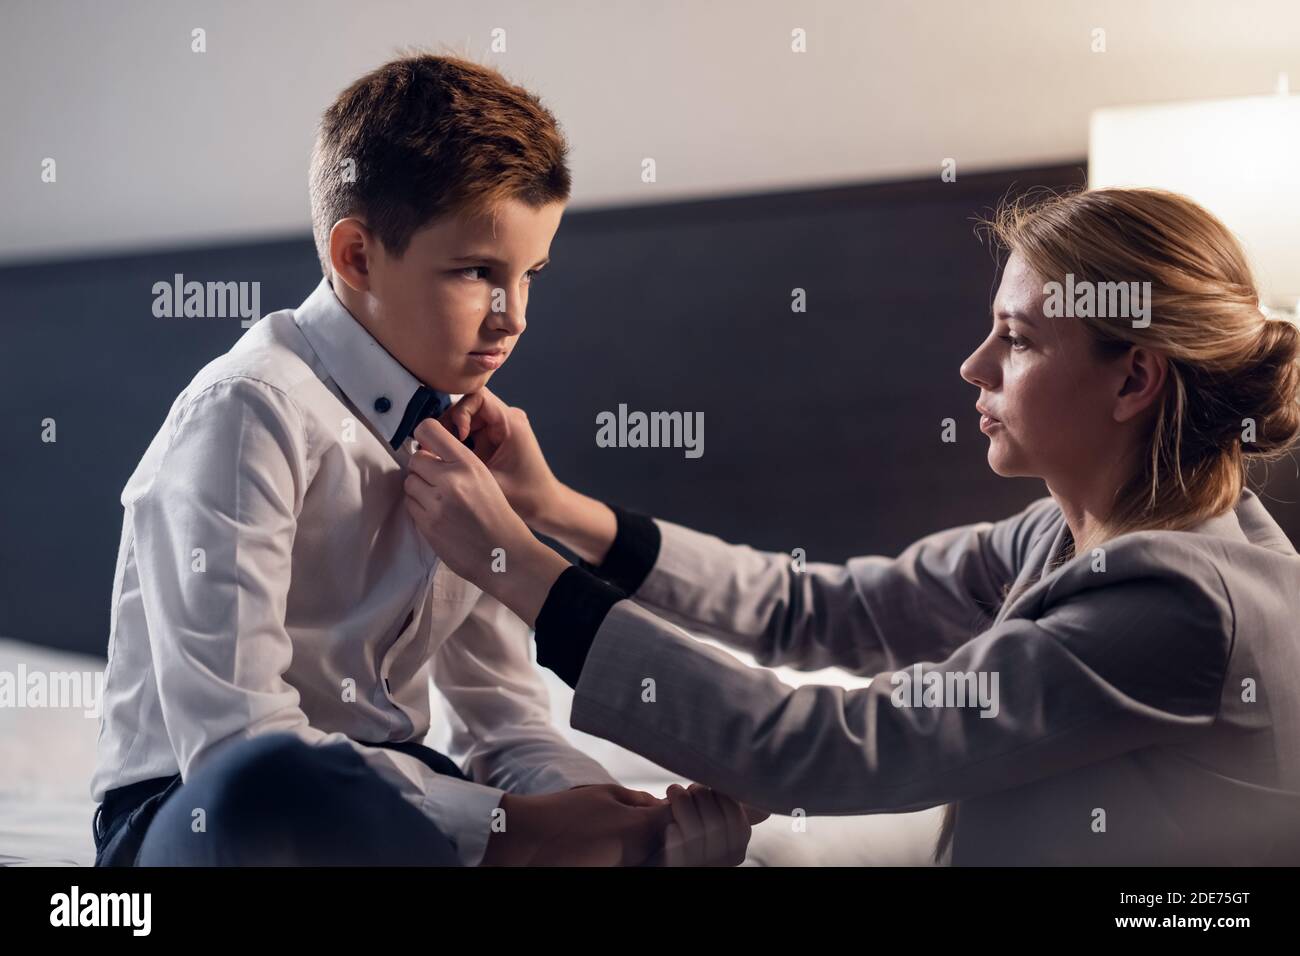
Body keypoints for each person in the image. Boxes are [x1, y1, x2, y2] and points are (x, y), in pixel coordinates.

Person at [404, 187, 1300, 865]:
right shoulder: (1071, 535)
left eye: (1018, 339)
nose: (973, 364)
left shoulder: (1176, 605)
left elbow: (824, 750)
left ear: (1134, 380)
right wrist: (556, 511)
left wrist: (516, 565)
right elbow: (817, 611)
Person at [92, 52, 755, 868]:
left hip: (397, 794)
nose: (512, 318)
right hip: (203, 810)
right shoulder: (249, 410)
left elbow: (505, 721)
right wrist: (523, 827)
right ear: (358, 258)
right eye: (478, 273)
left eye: (531, 274)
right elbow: (234, 745)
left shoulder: (464, 440)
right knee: (278, 789)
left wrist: (603, 814)